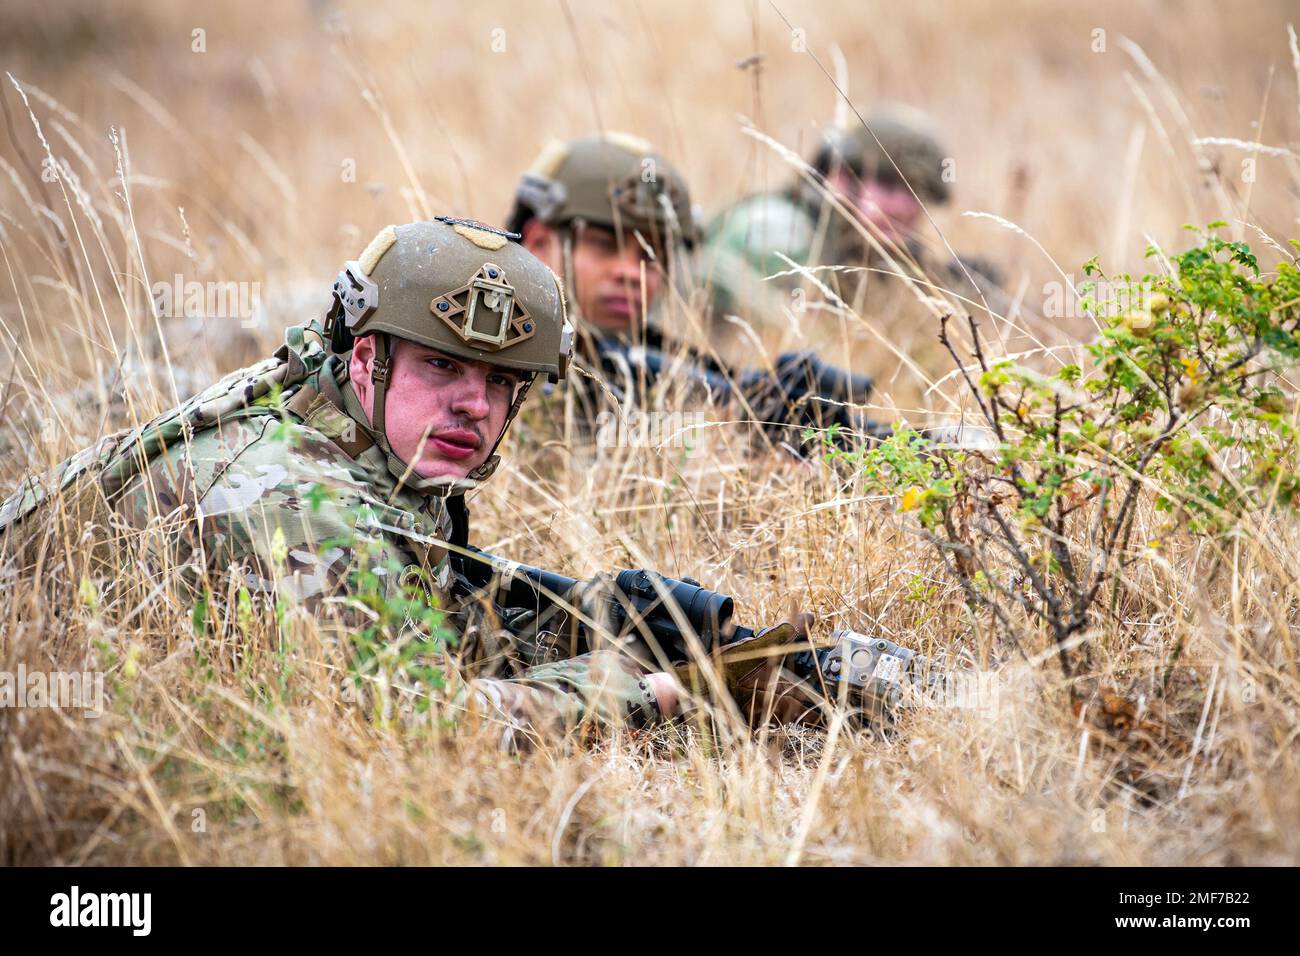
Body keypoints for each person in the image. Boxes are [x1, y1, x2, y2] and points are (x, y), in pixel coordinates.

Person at [0, 217, 716, 745]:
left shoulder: (325, 408)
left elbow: (421, 608)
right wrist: (637, 689)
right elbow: (419, 735)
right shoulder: (299, 503)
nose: (474, 403)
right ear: (369, 361)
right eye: (442, 366)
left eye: (501, 382)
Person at [508, 132, 884, 450]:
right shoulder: (494, 343)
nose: (632, 273)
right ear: (540, 242)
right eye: (605, 246)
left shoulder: (636, 359)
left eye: (651, 256)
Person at [703, 102, 1004, 328]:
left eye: (915, 193)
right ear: (840, 178)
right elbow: (786, 340)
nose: (903, 206)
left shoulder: (877, 252)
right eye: (888, 184)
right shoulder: (775, 231)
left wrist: (960, 289)